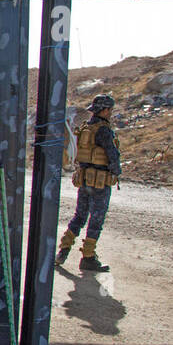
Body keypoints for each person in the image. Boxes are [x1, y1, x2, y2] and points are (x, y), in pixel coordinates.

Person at [57, 93, 121, 272]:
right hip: (100, 181)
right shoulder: (104, 130)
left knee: (80, 215)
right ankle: (88, 257)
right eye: (110, 110)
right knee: (96, 218)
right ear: (106, 110)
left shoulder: (87, 127)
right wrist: (116, 171)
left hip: (85, 178)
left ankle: (63, 251)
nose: (110, 113)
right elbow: (112, 154)